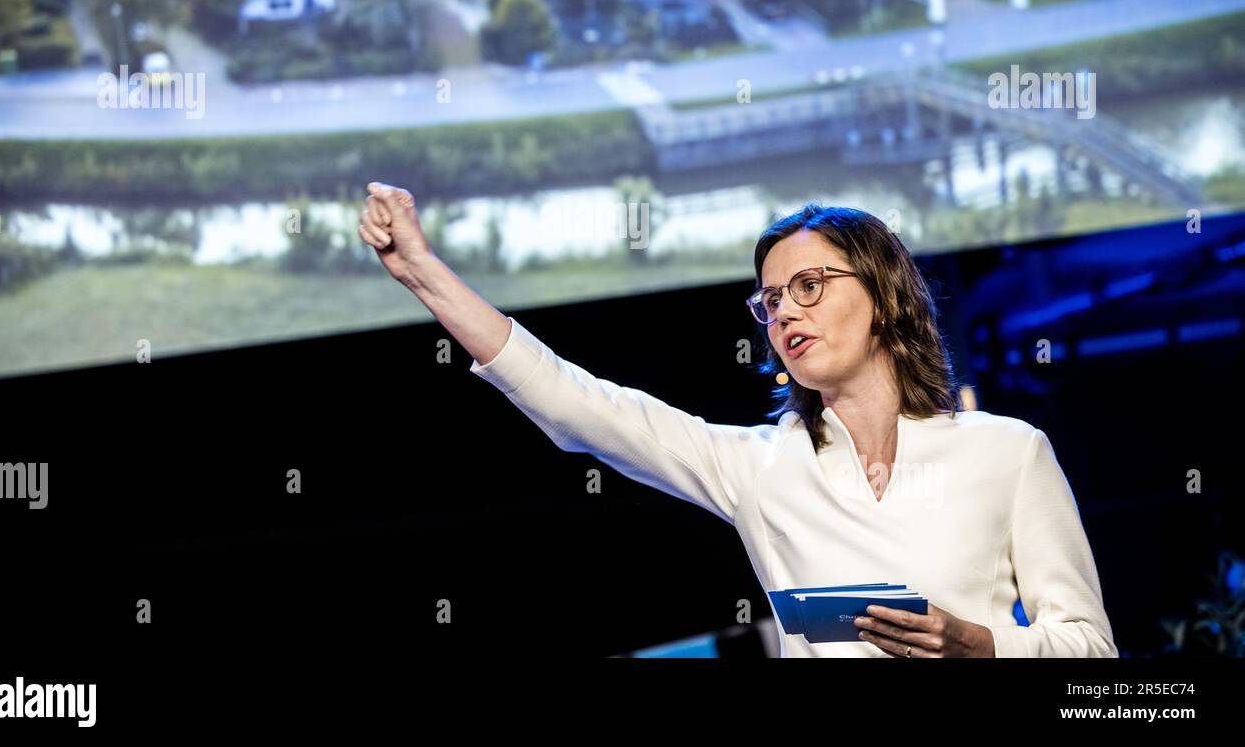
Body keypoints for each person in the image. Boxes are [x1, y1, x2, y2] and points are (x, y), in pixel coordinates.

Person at [358, 181, 1118, 658]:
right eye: (771, 299)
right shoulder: (757, 466)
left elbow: (1092, 656)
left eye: (810, 285)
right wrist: (424, 273)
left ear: (886, 296)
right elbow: (575, 404)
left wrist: (984, 647)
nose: (785, 308)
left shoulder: (1009, 452)